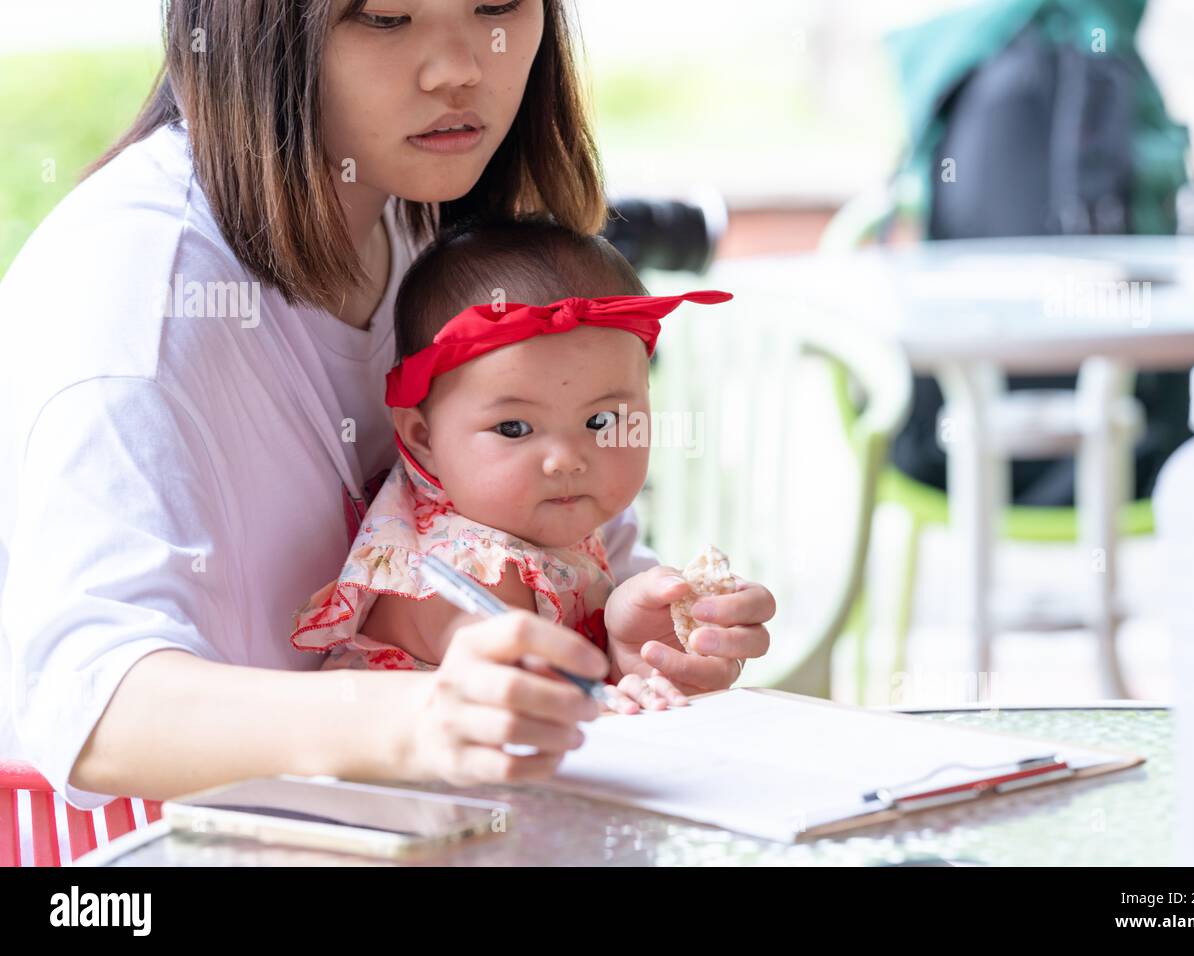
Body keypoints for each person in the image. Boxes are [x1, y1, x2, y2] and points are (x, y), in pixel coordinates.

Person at [0, 0, 775, 807]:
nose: (459, 69)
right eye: (385, 17)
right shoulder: (139, 293)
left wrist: (623, 632)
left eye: (497, 6)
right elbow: (93, 703)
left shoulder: (428, 227)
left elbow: (555, 545)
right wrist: (423, 717)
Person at [291, 215, 749, 717]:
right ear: (423, 437)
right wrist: (608, 701)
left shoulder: (538, 525)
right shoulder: (466, 568)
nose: (567, 459)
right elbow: (515, 692)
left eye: (601, 420)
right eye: (514, 428)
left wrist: (634, 658)